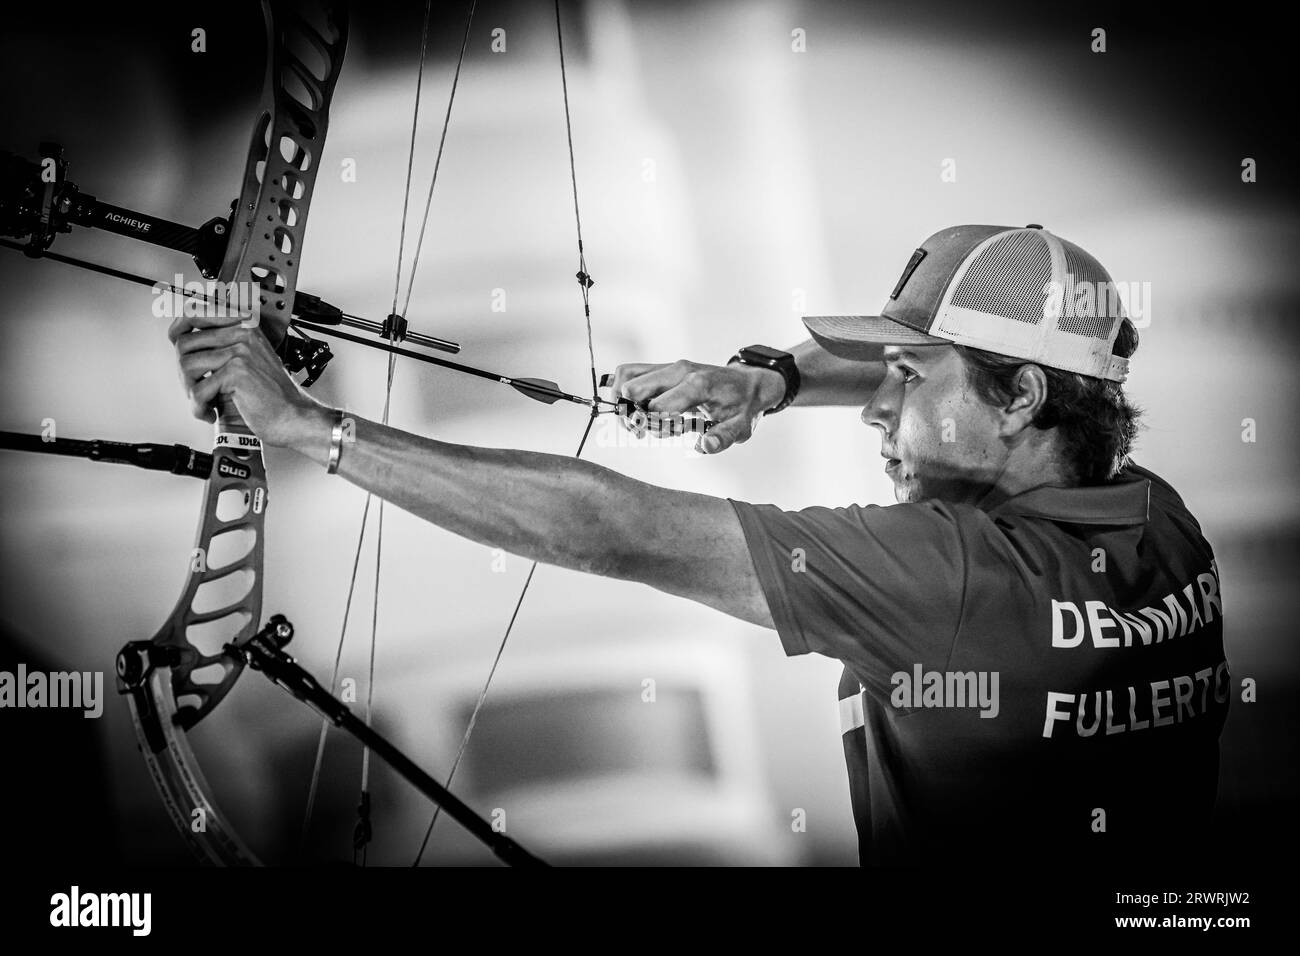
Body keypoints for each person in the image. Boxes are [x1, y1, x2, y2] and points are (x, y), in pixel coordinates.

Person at [173, 223, 1230, 865]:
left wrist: (311, 427)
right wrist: (768, 379)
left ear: (1023, 398)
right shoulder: (1153, 520)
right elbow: (981, 387)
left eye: (908, 377)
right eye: (889, 373)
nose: (876, 408)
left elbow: (614, 530)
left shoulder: (951, 580)